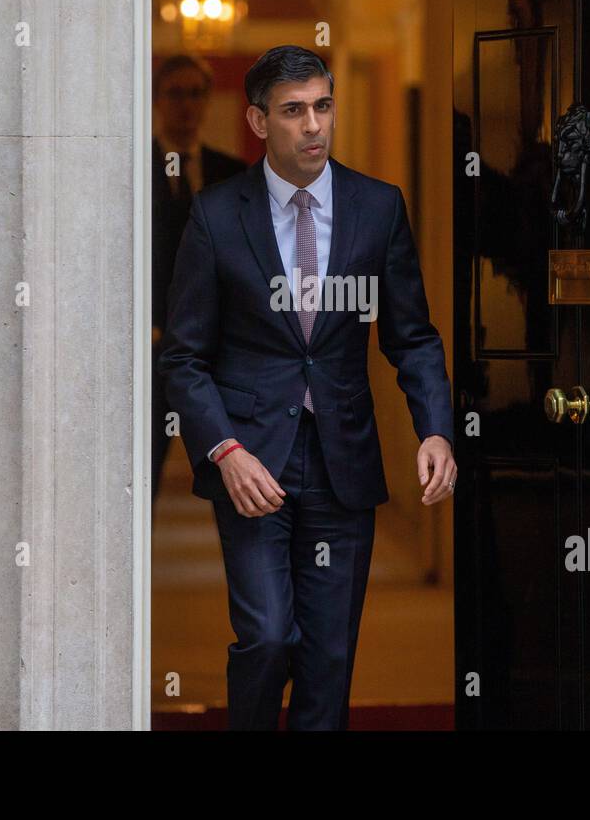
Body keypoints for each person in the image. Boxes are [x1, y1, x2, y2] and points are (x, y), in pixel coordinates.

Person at [158, 45, 457, 730]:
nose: (314, 125)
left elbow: (409, 335)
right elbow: (183, 357)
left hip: (342, 460)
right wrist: (225, 451)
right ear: (258, 121)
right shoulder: (215, 214)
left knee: (328, 660)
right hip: (253, 460)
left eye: (323, 106)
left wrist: (435, 427)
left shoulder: (378, 208)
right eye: (294, 111)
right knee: (268, 638)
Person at [151, 54, 246, 505]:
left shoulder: (233, 174)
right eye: (175, 94)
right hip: (148, 349)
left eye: (195, 94)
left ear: (207, 102)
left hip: (219, 355)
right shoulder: (133, 169)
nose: (186, 105)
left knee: (235, 473)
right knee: (141, 474)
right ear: (156, 100)